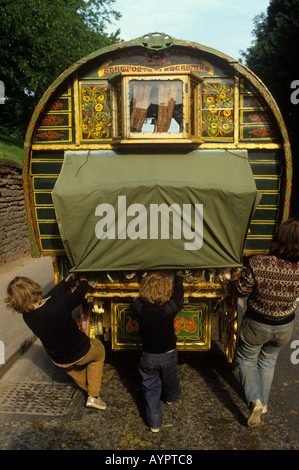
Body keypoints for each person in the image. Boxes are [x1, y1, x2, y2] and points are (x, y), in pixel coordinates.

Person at [231, 217, 299, 427]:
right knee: (268, 362)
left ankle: (255, 401)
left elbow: (242, 290)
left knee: (247, 358)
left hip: (257, 323)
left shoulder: (259, 263)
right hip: (285, 326)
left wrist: (233, 282)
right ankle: (265, 403)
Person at [5, 273, 106, 411]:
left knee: (80, 375)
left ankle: (89, 389)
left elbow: (51, 295)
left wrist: (68, 280)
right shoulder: (58, 304)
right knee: (99, 352)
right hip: (81, 350)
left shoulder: (27, 317)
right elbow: (78, 295)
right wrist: (83, 281)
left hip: (60, 361)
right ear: (34, 287)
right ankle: (93, 396)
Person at [133, 271, 184, 433]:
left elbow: (135, 301)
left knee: (151, 388)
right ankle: (171, 397)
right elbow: (178, 298)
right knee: (170, 376)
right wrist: (179, 279)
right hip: (169, 353)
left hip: (148, 356)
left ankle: (154, 423)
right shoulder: (169, 309)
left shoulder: (139, 308)